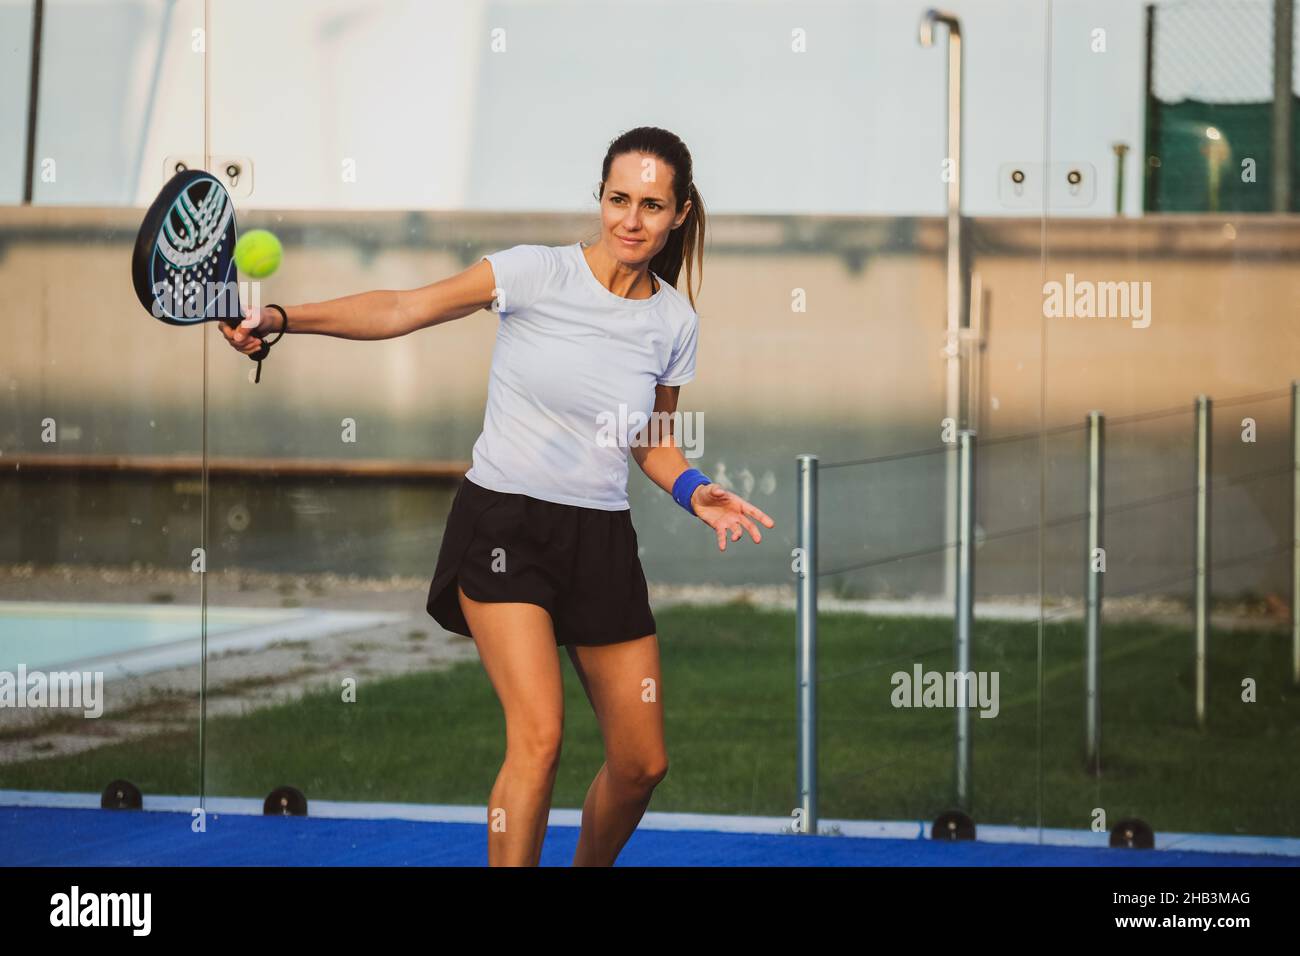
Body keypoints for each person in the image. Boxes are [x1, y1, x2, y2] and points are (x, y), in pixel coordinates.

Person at [222, 126, 774, 866]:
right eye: (618, 199)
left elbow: (651, 438)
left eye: (650, 204)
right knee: (539, 737)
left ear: (678, 213)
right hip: (505, 522)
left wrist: (695, 491)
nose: (630, 220)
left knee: (643, 765)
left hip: (601, 539)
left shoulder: (673, 321)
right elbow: (402, 308)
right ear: (599, 198)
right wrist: (285, 319)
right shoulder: (534, 272)